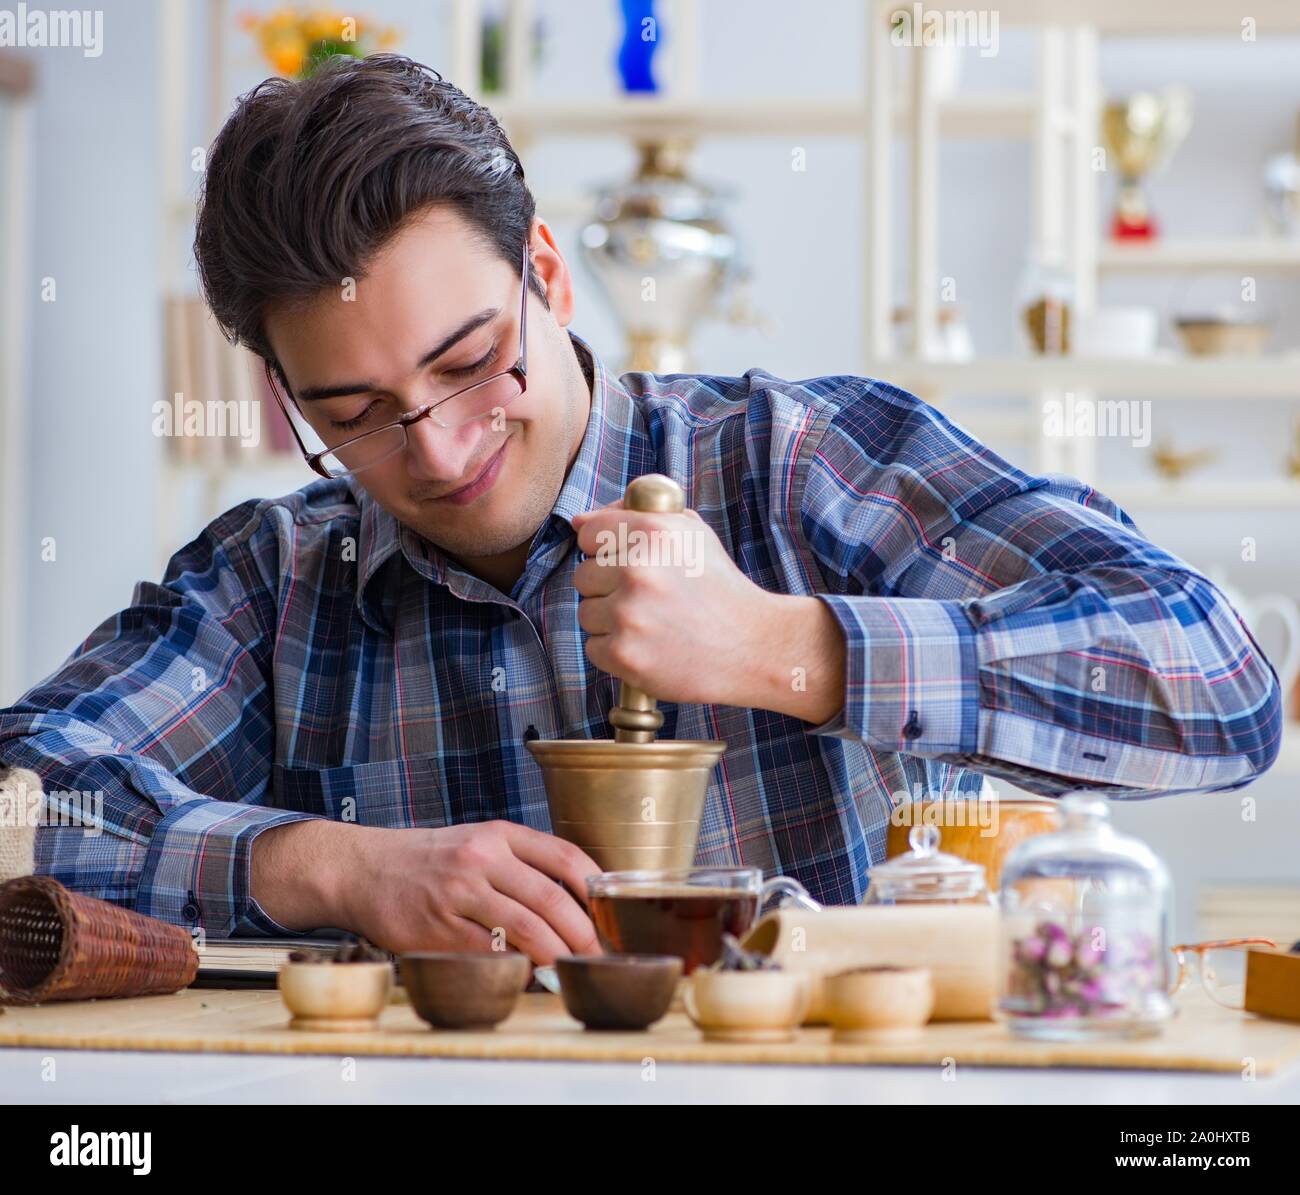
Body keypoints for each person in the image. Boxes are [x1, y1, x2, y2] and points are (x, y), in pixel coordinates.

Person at [0, 56, 1281, 965]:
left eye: (469, 362)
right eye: (356, 412)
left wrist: (791, 649)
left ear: (546, 275)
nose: (441, 449)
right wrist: (323, 864)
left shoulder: (797, 460)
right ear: (284, 398)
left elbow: (1222, 680)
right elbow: (21, 806)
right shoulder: (272, 583)